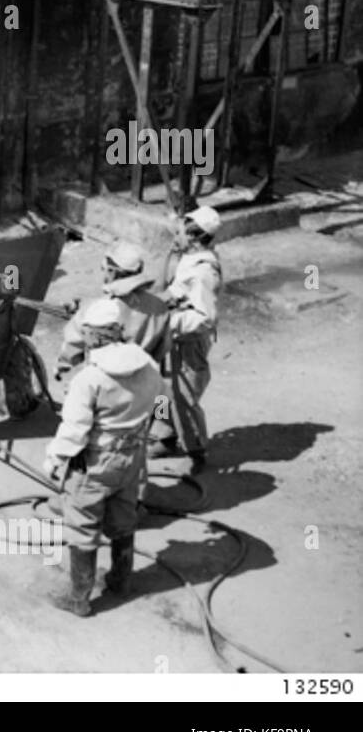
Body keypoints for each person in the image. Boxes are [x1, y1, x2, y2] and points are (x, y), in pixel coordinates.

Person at [43, 299, 165, 617]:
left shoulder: (89, 378)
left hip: (95, 465)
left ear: (95, 337)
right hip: (132, 458)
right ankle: (120, 580)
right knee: (123, 519)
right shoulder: (148, 365)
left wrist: (54, 461)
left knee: (83, 527)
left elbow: (75, 430)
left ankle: (79, 599)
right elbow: (158, 400)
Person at [149, 206, 222, 471]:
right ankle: (164, 436)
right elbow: (177, 288)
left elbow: (205, 318)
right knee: (160, 391)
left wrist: (168, 321)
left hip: (189, 342)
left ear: (193, 236)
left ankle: (197, 450)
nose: (174, 236)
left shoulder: (204, 271)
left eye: (179, 232)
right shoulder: (188, 258)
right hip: (173, 337)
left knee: (185, 398)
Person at [55, 240, 172, 378]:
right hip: (142, 377)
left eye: (104, 269)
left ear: (112, 271)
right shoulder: (160, 308)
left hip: (105, 379)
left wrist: (61, 367)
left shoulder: (99, 308)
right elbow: (162, 349)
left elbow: (74, 344)